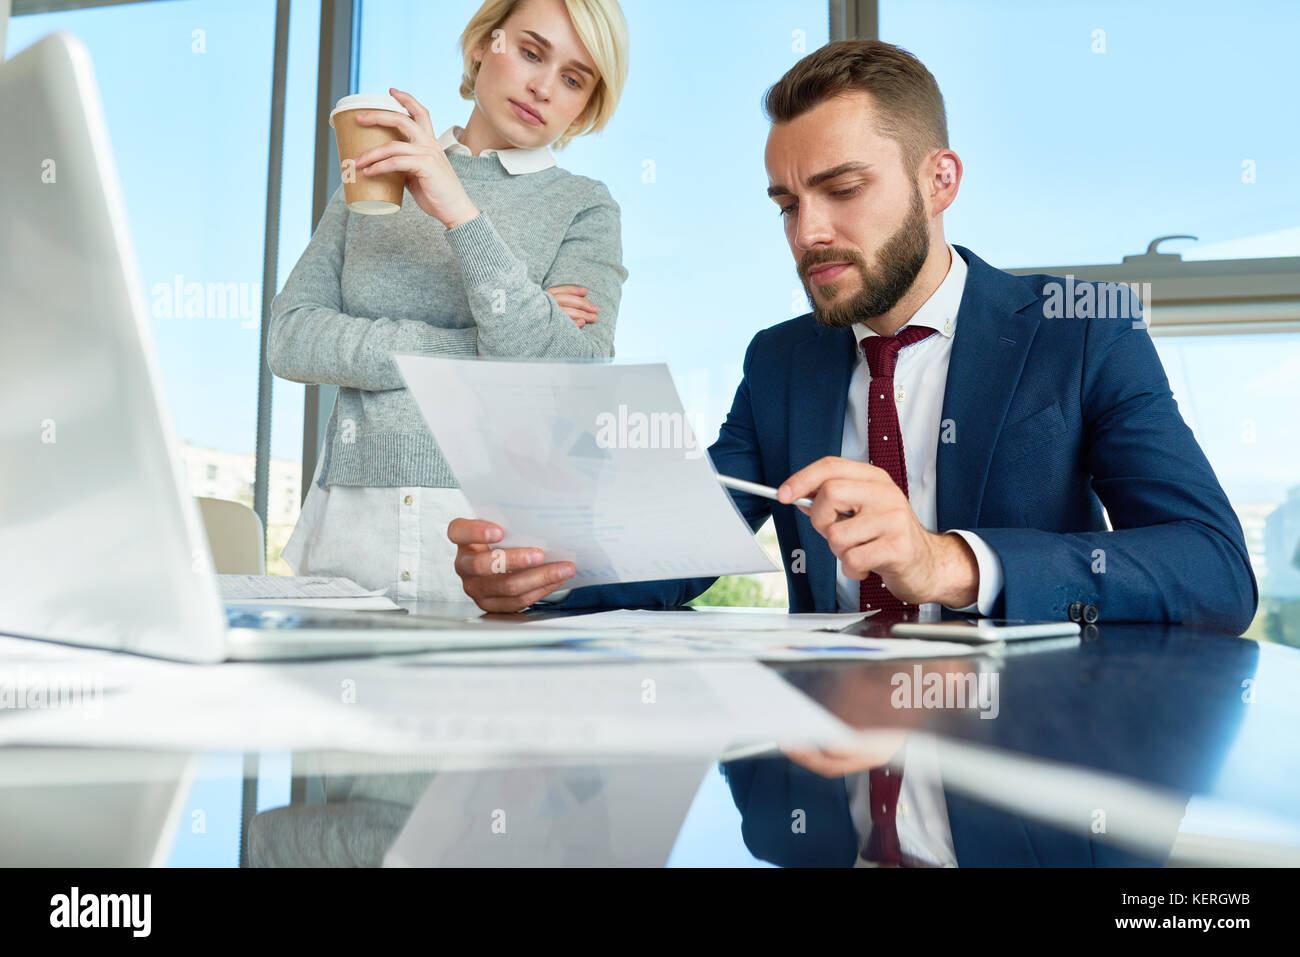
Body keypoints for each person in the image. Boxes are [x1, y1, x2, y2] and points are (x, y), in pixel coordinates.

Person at [445, 37, 1259, 868]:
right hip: (815, 793)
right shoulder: (780, 359)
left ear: (940, 180)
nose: (810, 232)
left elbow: (1214, 568)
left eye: (841, 189)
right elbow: (688, 535)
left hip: (1030, 774)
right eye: (786, 204)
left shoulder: (1080, 330)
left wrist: (948, 563)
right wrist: (546, 569)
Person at [268, 0, 630, 601]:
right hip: (351, 519)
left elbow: (571, 374)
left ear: (584, 106)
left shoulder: (585, 207)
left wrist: (459, 211)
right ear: (483, 45)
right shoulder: (374, 175)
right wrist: (483, 342)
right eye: (531, 52)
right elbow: (292, 339)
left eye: (572, 79)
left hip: (500, 529)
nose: (542, 87)